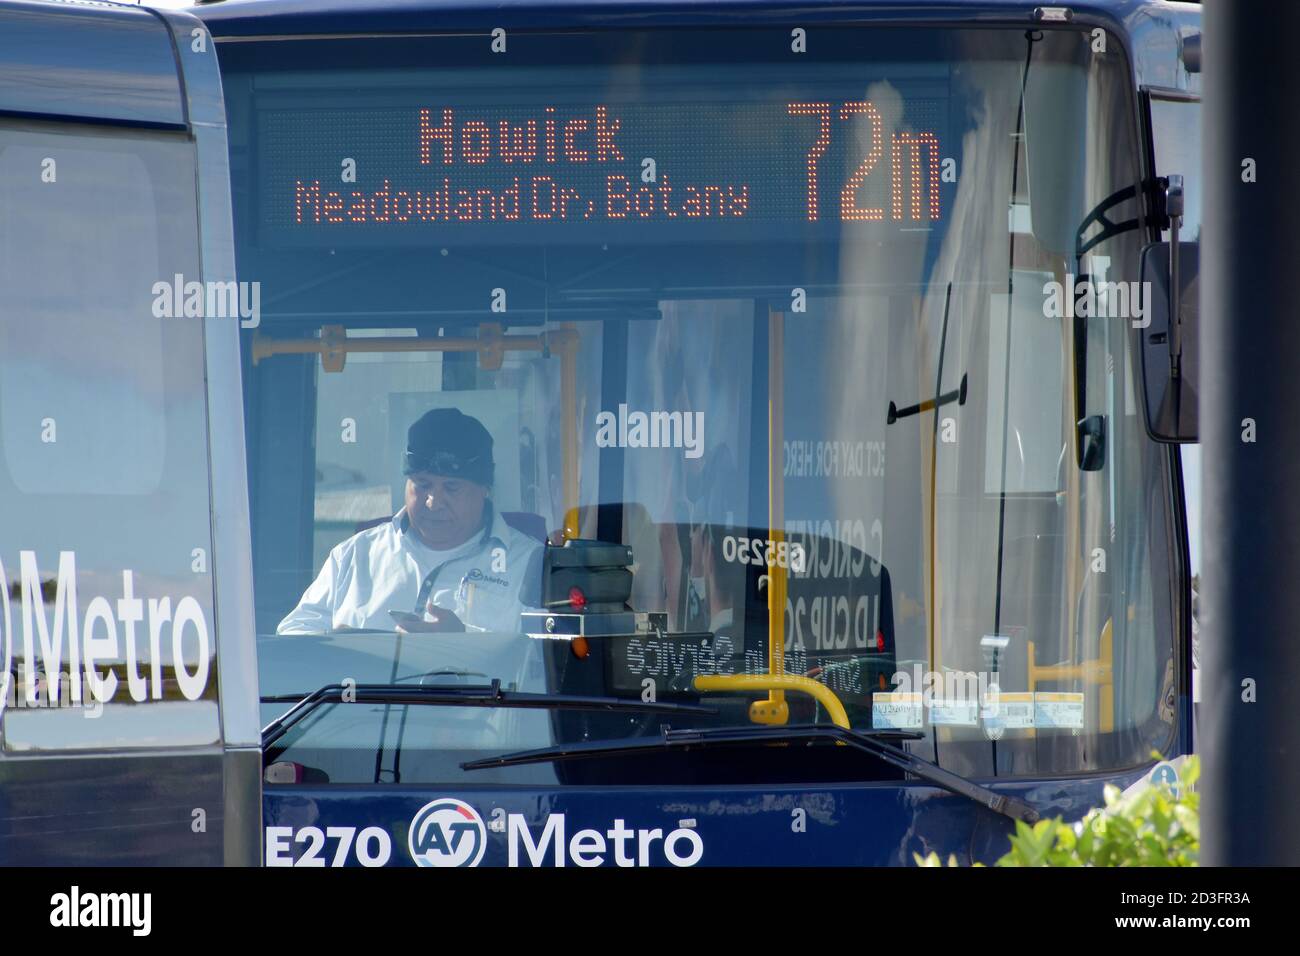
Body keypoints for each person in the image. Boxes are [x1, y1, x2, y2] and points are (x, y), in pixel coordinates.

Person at [278, 407, 544, 635]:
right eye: (422, 484)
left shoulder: (531, 565)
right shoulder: (353, 555)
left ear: (485, 488)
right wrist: (340, 649)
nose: (433, 502)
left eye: (451, 488)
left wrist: (465, 644)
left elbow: (543, 665)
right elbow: (294, 634)